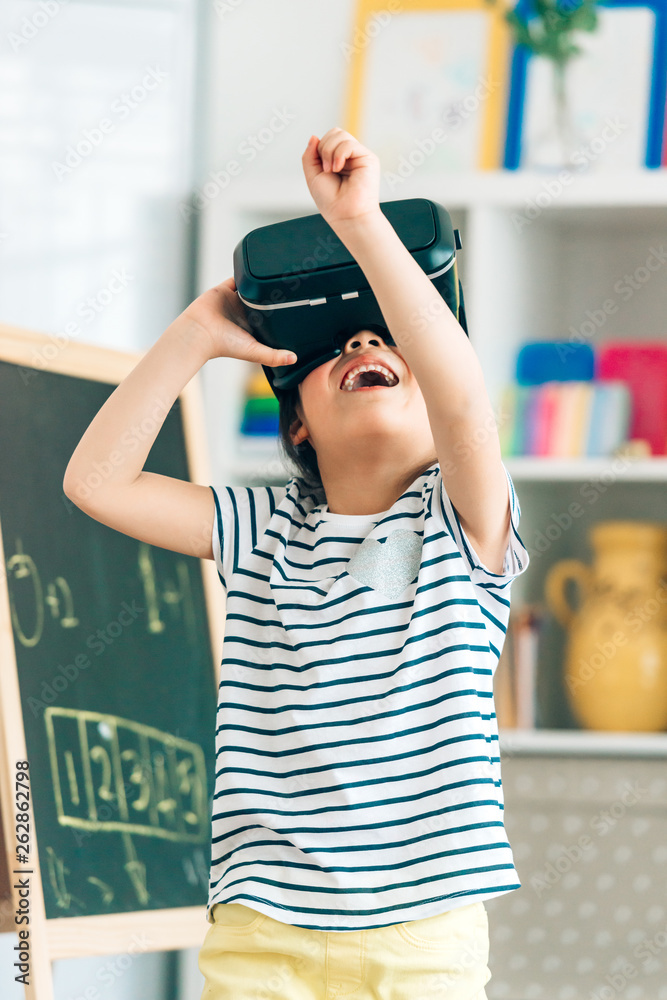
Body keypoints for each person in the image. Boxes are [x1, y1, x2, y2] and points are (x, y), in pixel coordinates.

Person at [64, 127, 530, 999]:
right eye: (337, 349)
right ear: (296, 427)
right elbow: (97, 481)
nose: (364, 347)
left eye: (391, 347)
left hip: (421, 934)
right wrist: (195, 336)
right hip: (262, 929)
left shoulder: (459, 524)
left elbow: (463, 394)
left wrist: (359, 225)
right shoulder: (262, 527)